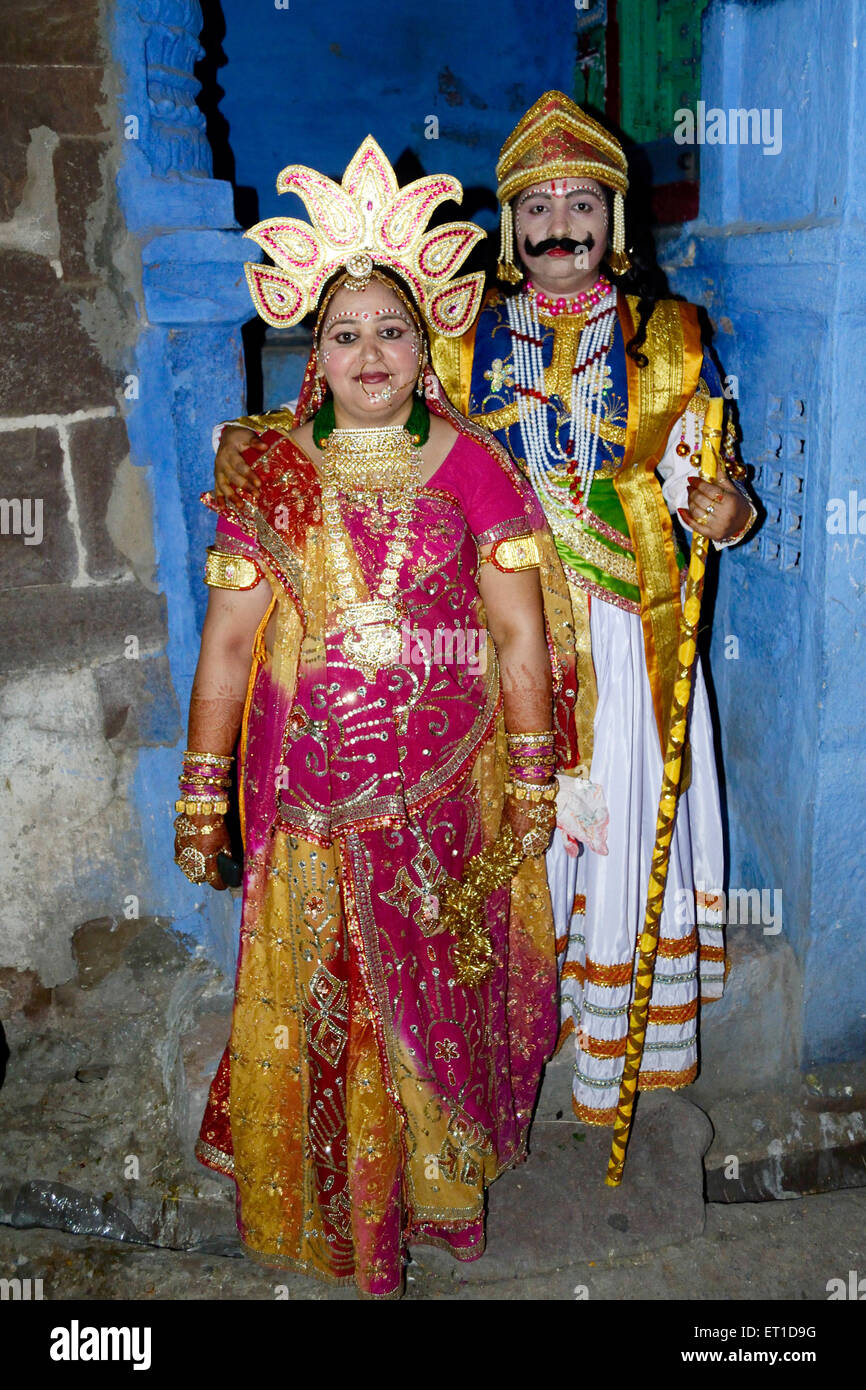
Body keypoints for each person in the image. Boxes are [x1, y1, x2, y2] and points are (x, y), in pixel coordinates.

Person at [214, 95, 757, 1131]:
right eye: (537, 203)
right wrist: (252, 452)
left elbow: (707, 475)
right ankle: (502, 1048)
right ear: (509, 224)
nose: (561, 223)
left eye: (582, 203)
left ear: (615, 218)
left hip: (619, 625)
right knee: (504, 835)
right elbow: (363, 423)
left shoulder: (671, 337)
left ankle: (605, 1061)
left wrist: (724, 512)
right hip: (480, 638)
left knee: (612, 825)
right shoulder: (462, 337)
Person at [175, 136, 576, 1297]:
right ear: (312, 348)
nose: (368, 354)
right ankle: (344, 1219)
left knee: (433, 1003)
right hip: (305, 799)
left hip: (445, 793)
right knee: (326, 1002)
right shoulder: (268, 470)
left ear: (425, 343)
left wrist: (536, 775)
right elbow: (233, 645)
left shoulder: (475, 467)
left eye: (391, 331)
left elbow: (515, 634)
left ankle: (430, 1193)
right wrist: (205, 787)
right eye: (343, 333)